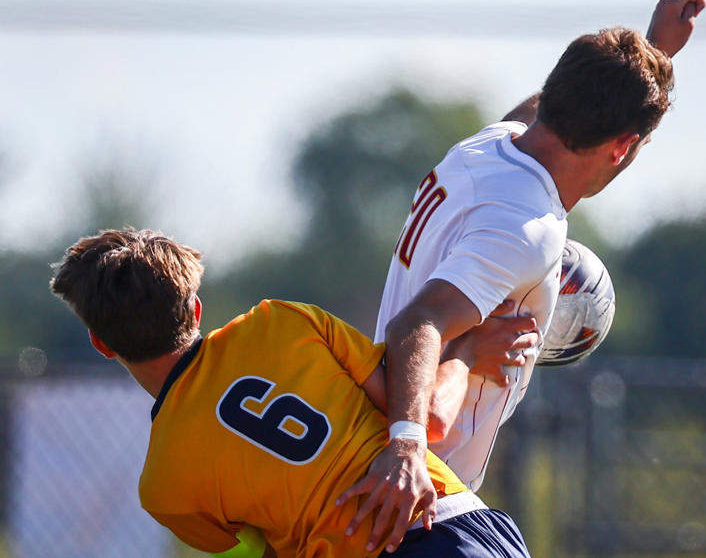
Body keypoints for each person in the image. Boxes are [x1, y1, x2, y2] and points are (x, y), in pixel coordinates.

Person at [336, 0, 706, 554]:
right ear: (622, 146)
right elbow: (419, 321)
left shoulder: (488, 147)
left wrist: (654, 51)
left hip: (383, 478)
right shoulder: (526, 229)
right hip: (419, 500)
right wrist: (407, 445)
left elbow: (553, 113)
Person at [49, 227, 533, 558]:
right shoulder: (281, 321)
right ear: (195, 309)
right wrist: (465, 354)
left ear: (102, 344)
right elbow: (424, 419)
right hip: (452, 523)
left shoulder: (163, 488)